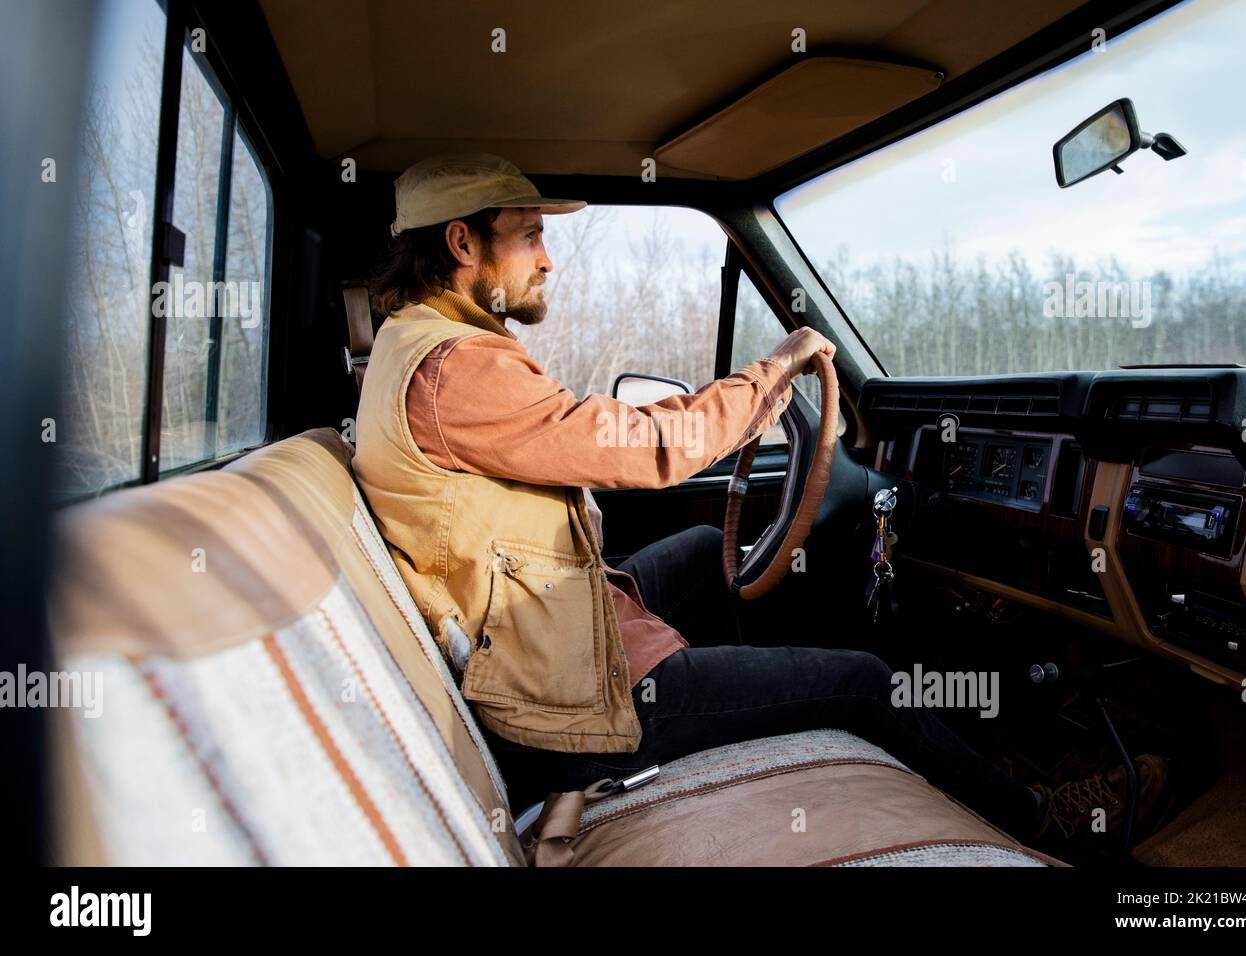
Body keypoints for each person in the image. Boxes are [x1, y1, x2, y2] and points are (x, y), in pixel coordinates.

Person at [353, 152, 1168, 848]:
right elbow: (645, 445)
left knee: (712, 552)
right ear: (463, 242)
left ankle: (812, 702)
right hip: (567, 700)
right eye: (530, 236)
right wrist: (770, 375)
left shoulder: (411, 345)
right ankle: (1043, 821)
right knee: (862, 681)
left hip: (551, 630)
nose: (547, 259)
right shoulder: (458, 367)